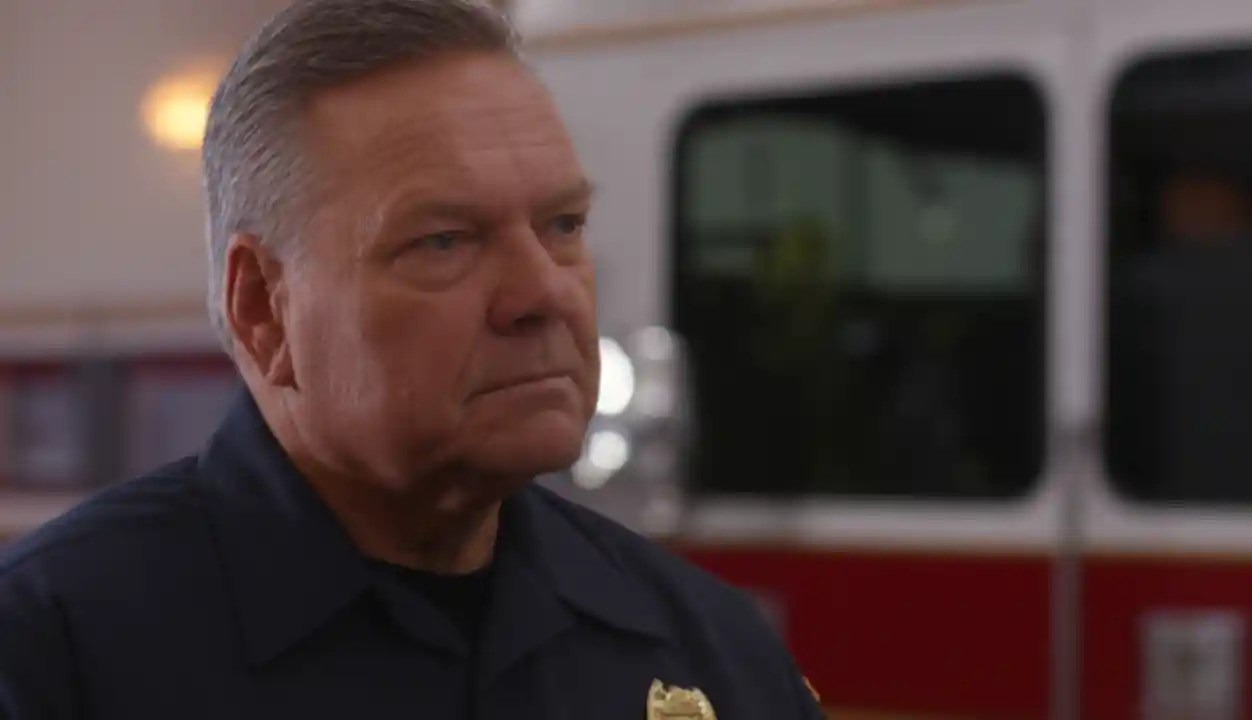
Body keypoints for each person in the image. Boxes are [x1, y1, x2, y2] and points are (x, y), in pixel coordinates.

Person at [0, 1, 825, 718]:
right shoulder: (56, 654)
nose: (546, 291)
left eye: (563, 226)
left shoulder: (709, 651)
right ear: (263, 308)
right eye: (444, 241)